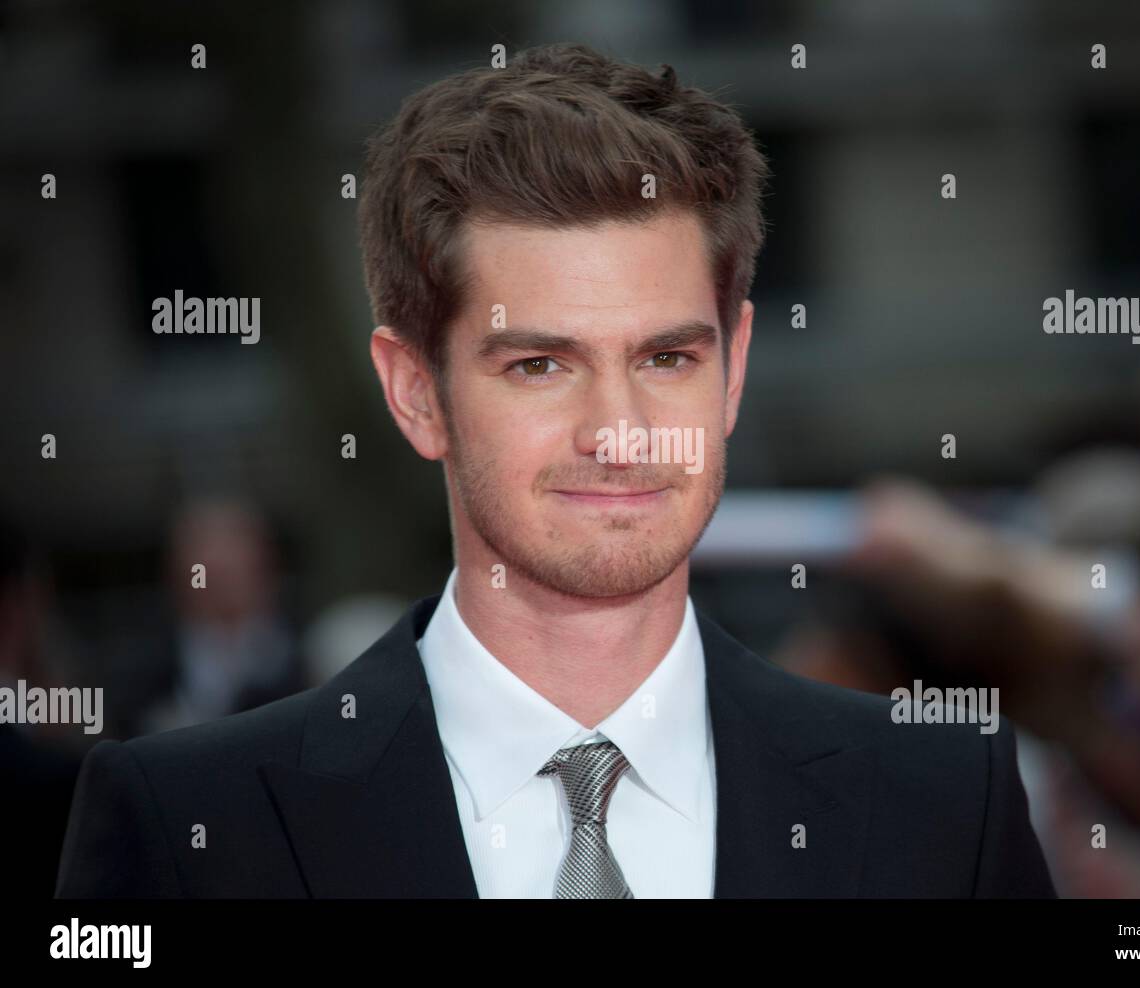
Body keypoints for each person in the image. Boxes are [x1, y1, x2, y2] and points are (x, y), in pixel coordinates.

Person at [55, 42, 1054, 898]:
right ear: (415, 393)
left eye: (667, 358)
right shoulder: (189, 828)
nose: (618, 432)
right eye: (539, 364)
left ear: (735, 368)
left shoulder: (939, 803)